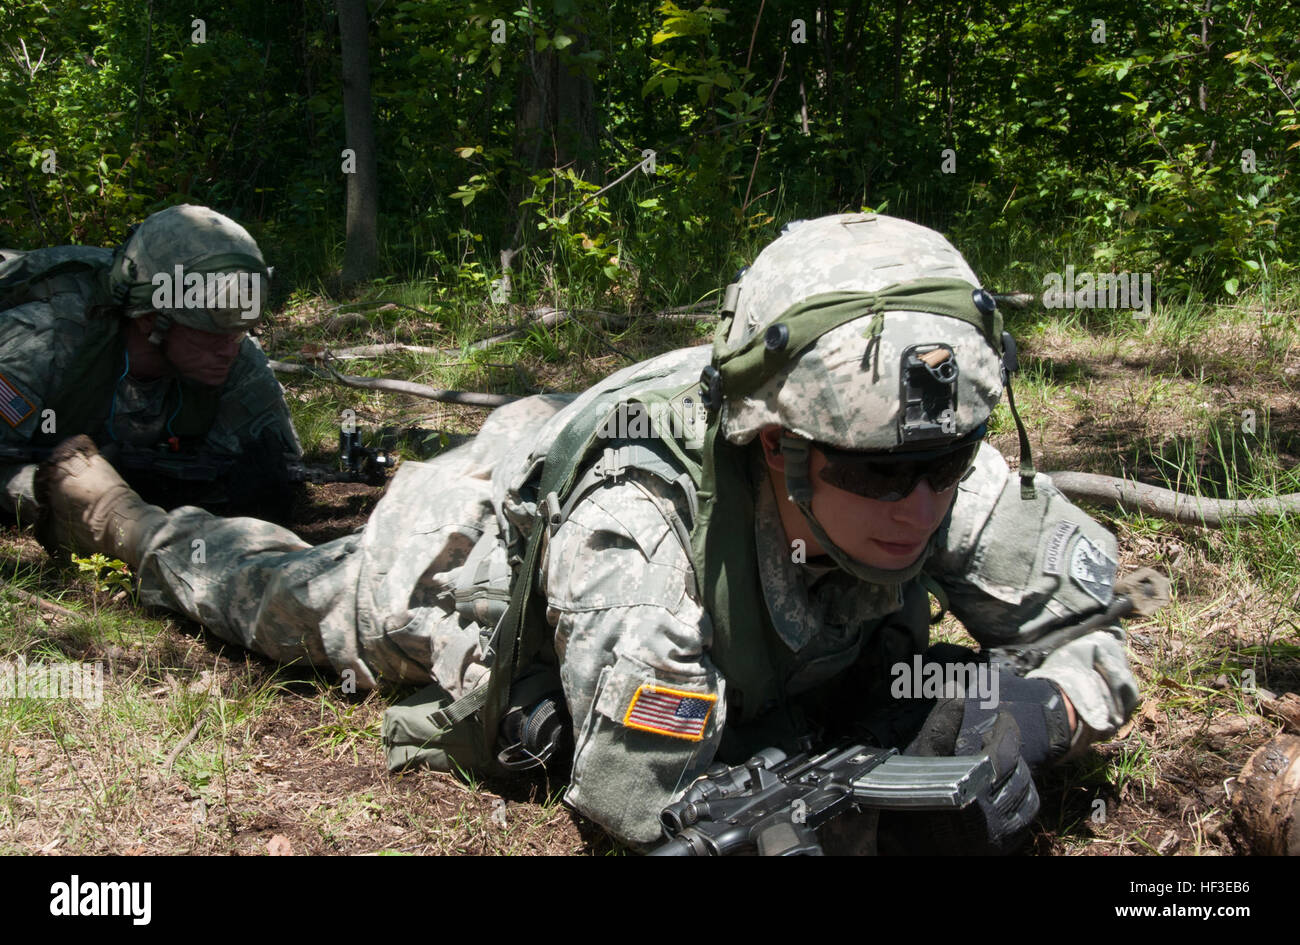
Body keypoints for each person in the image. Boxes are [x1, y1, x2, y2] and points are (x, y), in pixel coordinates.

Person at [35, 214, 1138, 853]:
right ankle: (122, 512)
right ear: (770, 443)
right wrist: (865, 803)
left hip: (552, 448)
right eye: (875, 473)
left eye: (943, 466)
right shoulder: (639, 528)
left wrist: (1042, 710)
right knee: (270, 593)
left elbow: (1093, 622)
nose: (919, 504)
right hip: (448, 561)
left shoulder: (919, 439)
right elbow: (637, 792)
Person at [0, 204, 302, 521]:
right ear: (150, 321)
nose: (228, 350)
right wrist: (51, 489)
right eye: (209, 335)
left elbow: (282, 464)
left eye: (237, 334)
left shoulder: (234, 353)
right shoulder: (43, 342)